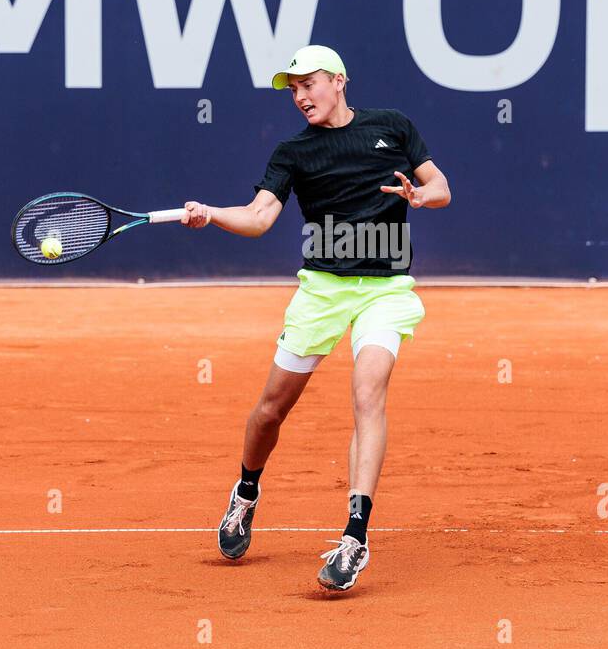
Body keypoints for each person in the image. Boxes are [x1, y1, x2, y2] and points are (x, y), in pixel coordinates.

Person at [180, 45, 451, 590]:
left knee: (367, 392)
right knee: (269, 412)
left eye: (310, 84)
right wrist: (211, 215)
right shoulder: (293, 152)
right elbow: (259, 218)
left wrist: (419, 197)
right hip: (322, 290)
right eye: (294, 89)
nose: (301, 97)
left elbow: (442, 187)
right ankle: (246, 491)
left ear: (340, 82)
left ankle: (355, 537)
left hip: (385, 288)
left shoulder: (392, 127)